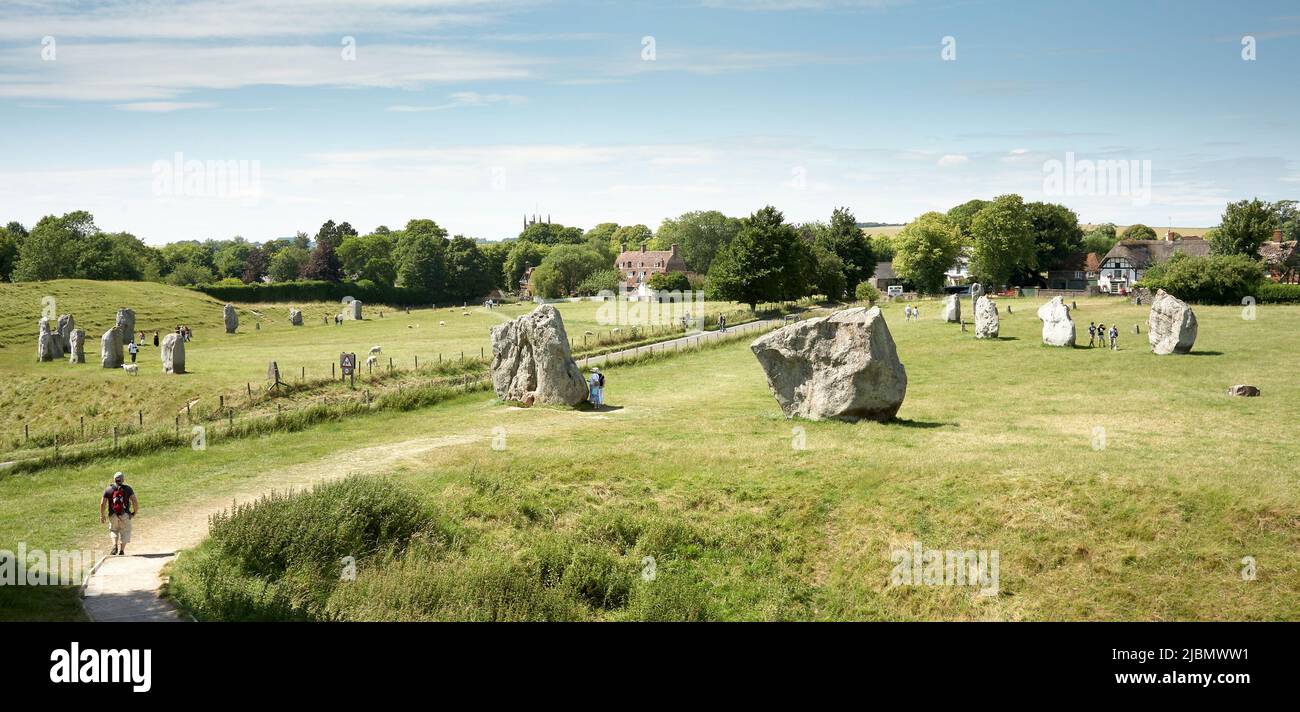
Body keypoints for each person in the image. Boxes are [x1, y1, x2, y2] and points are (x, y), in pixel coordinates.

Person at [99, 472, 138, 556]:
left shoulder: (108, 489)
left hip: (113, 515)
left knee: (113, 530)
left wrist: (102, 515)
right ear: (123, 479)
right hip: (125, 514)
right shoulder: (128, 489)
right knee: (125, 531)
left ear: (114, 479)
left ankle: (114, 545)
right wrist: (134, 512)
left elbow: (102, 504)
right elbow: (134, 501)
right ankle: (121, 551)